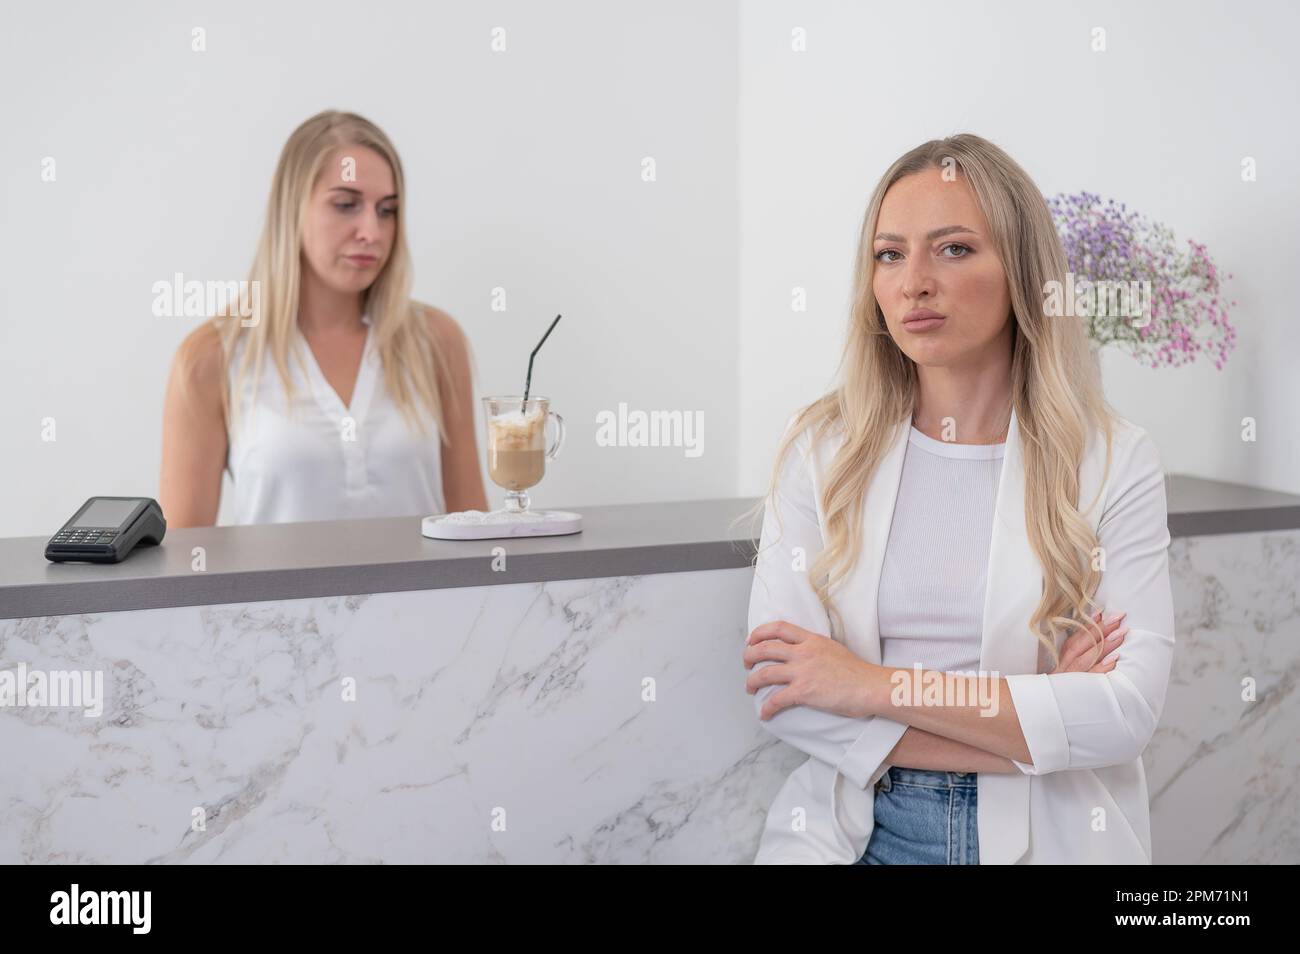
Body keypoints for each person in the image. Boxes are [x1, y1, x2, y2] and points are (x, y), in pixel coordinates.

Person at [742, 133, 1175, 864]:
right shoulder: (821, 447)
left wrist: (869, 685)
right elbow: (790, 692)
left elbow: (1122, 714)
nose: (913, 282)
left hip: (1050, 838)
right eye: (889, 254)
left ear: (1024, 272)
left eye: (952, 249)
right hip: (858, 832)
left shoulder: (1112, 459)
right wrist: (1027, 735)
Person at [160, 110, 488, 526]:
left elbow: (474, 526)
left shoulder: (437, 341)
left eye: (387, 210)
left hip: (427, 595)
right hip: (272, 594)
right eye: (346, 205)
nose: (371, 230)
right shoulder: (211, 358)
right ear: (291, 210)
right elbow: (183, 561)